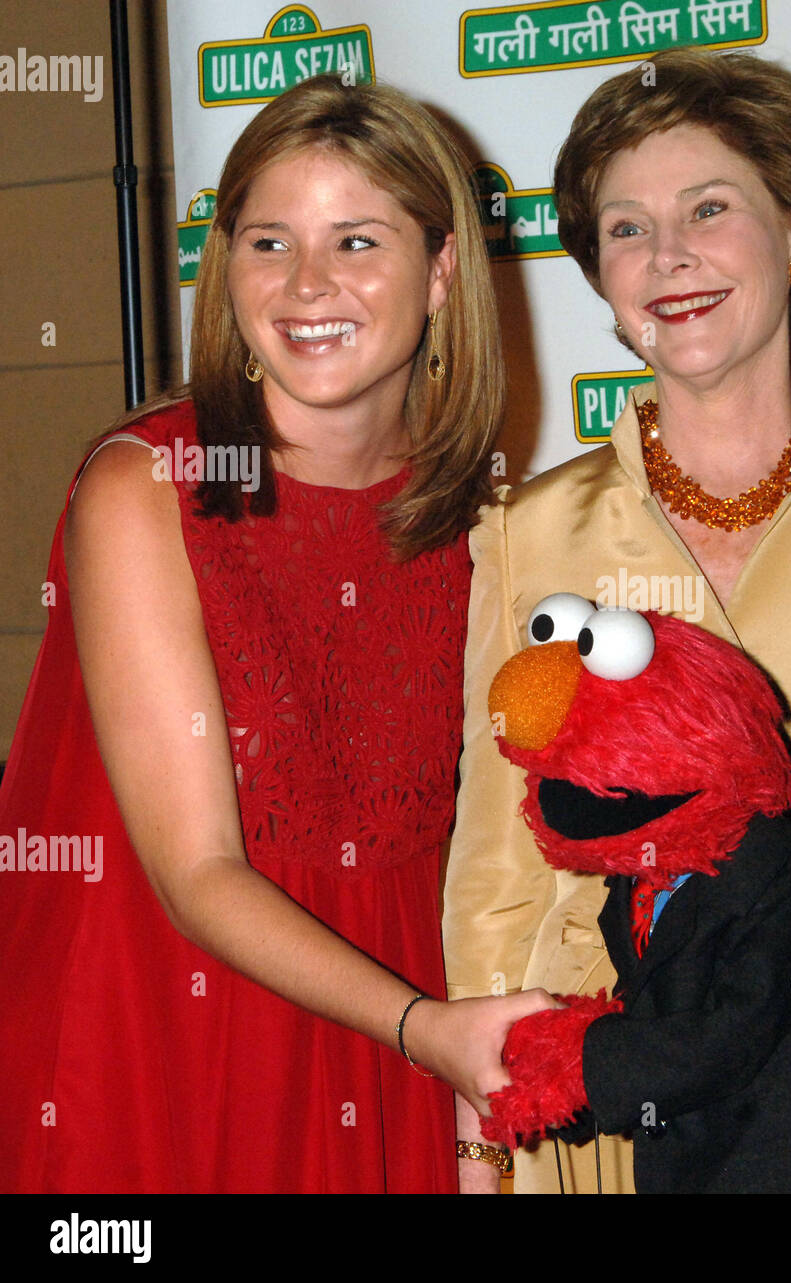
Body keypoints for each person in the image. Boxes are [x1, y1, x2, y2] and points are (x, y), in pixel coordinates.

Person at [0, 74, 552, 1194]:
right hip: (170, 1032)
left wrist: (463, 1089)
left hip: (403, 1024)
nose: (308, 284)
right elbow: (197, 871)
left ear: (442, 270)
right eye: (267, 241)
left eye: (357, 240)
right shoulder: (148, 483)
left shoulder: (482, 513)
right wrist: (426, 1030)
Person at [443, 48, 791, 1194]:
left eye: (708, 210)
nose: (666, 257)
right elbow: (494, 871)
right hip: (611, 1097)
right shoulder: (530, 532)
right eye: (625, 229)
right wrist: (483, 1133)